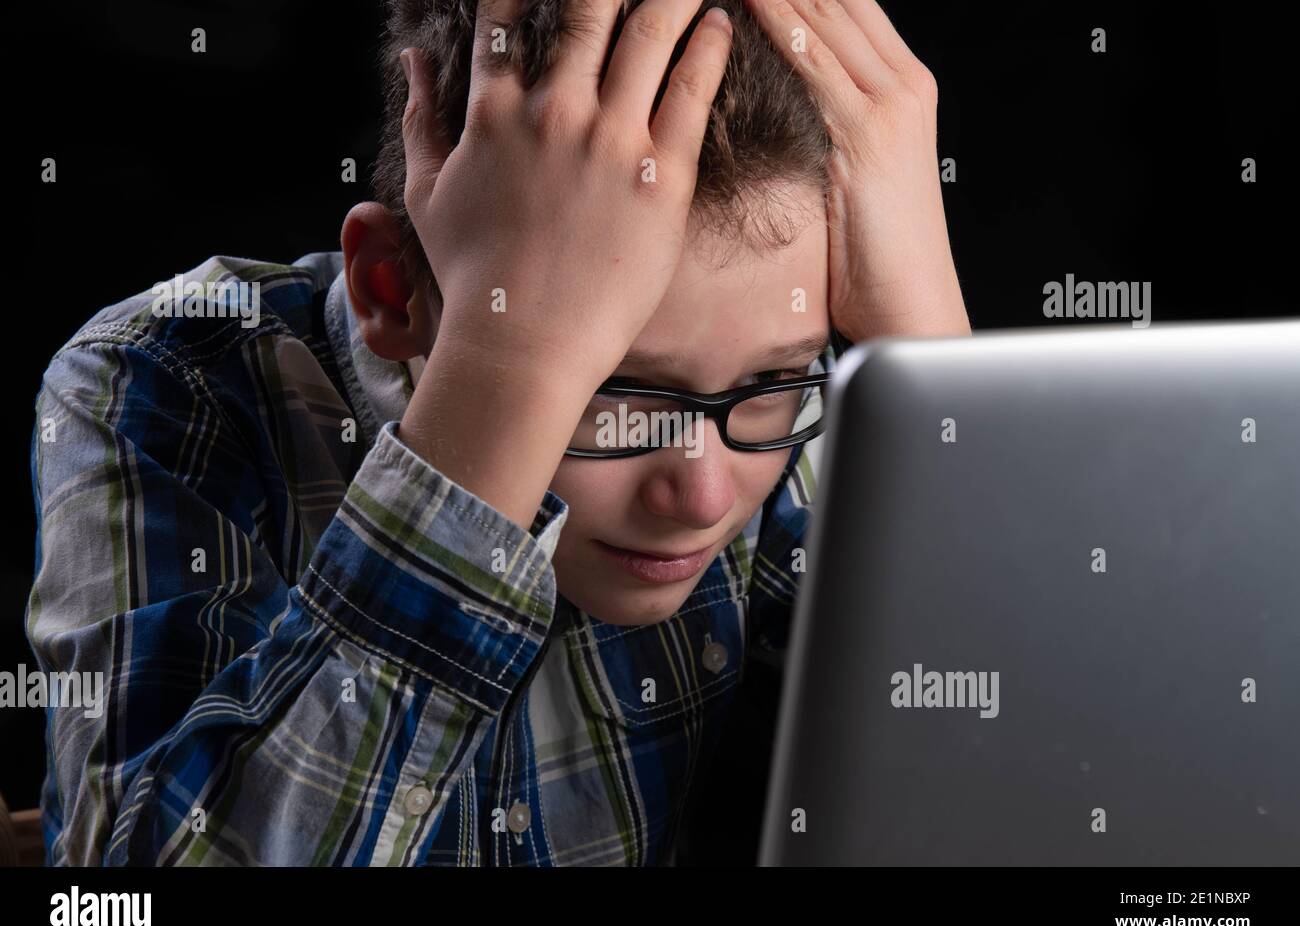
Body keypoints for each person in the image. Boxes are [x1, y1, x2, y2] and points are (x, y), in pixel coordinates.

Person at [26, 0, 968, 866]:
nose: (705, 496)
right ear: (396, 291)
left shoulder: (792, 427)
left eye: (771, 382)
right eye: (613, 392)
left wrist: (942, 385)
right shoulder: (165, 383)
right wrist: (514, 366)